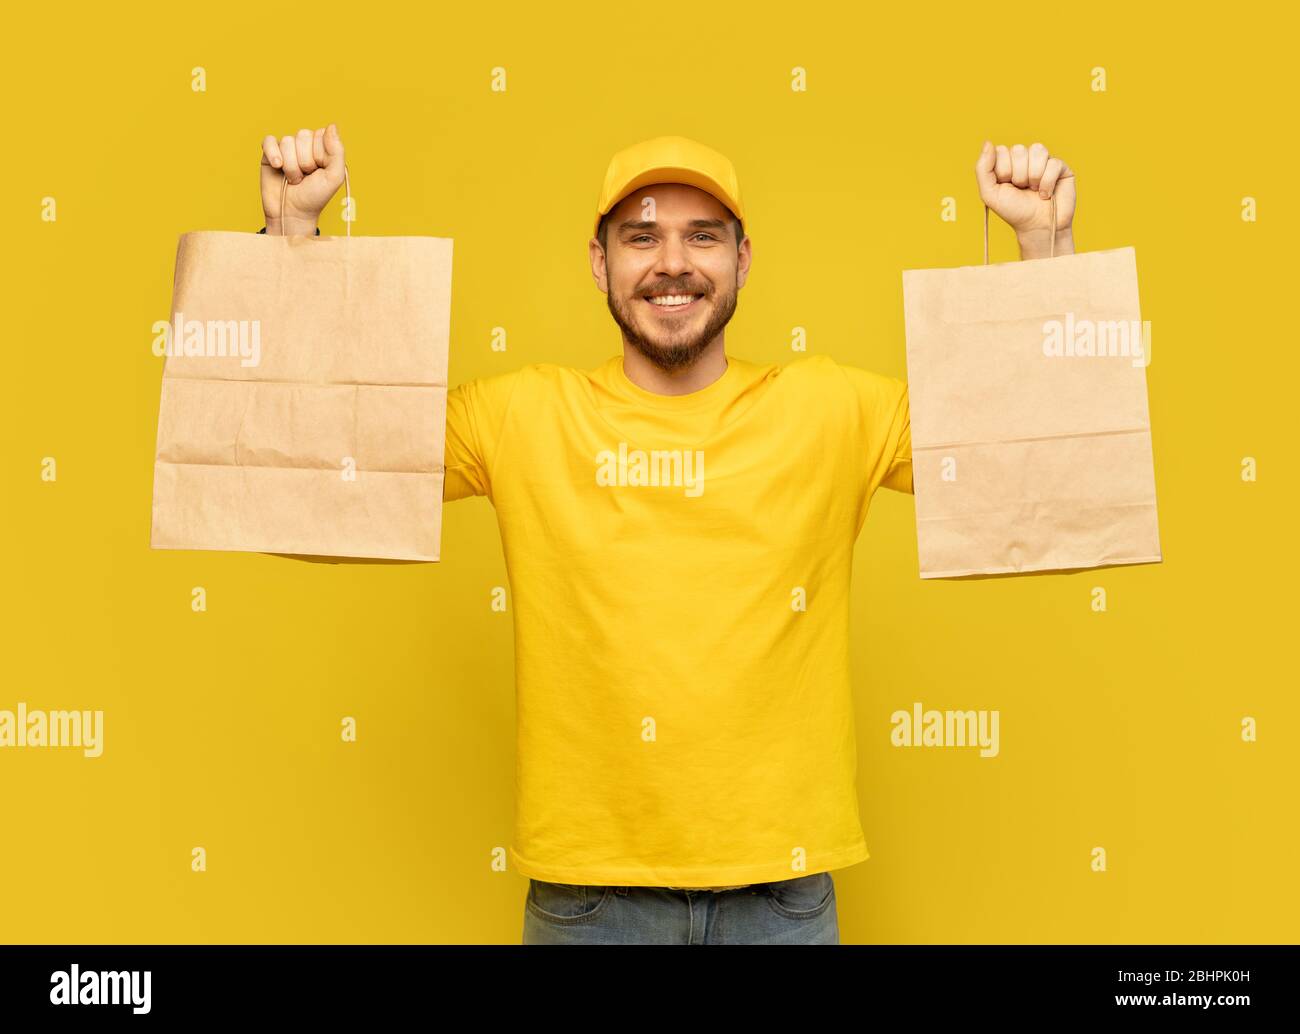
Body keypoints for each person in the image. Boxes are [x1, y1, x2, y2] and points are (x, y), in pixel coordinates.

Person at [254, 126, 1076, 944]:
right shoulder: (521, 417)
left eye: (702, 236)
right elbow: (326, 460)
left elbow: (1022, 461)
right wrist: (294, 237)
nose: (672, 263)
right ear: (598, 262)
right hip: (590, 903)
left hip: (782, 897)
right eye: (641, 236)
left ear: (744, 260)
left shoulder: (831, 410)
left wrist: (1043, 250)